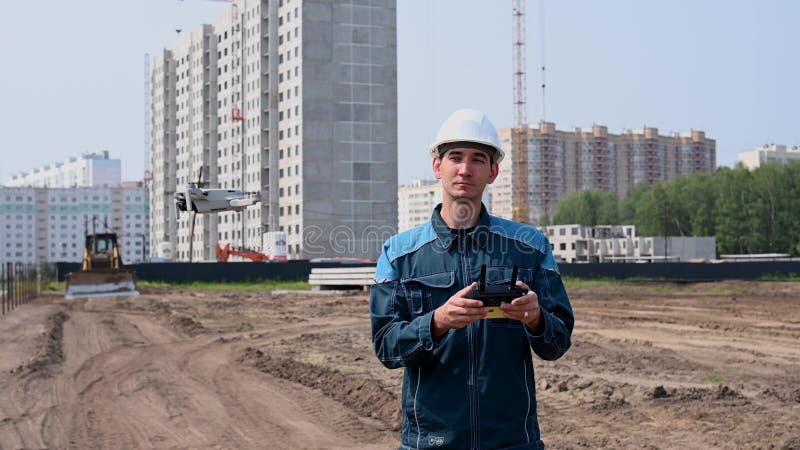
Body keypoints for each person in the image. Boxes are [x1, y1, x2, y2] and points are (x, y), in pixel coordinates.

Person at [370, 108, 574, 449]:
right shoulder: (399, 254)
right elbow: (387, 350)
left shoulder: (529, 247)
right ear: (437, 166)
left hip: (511, 440)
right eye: (455, 157)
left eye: (478, 159)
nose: (465, 169)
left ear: (493, 171)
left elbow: (558, 343)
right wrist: (437, 321)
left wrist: (537, 319)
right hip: (432, 441)